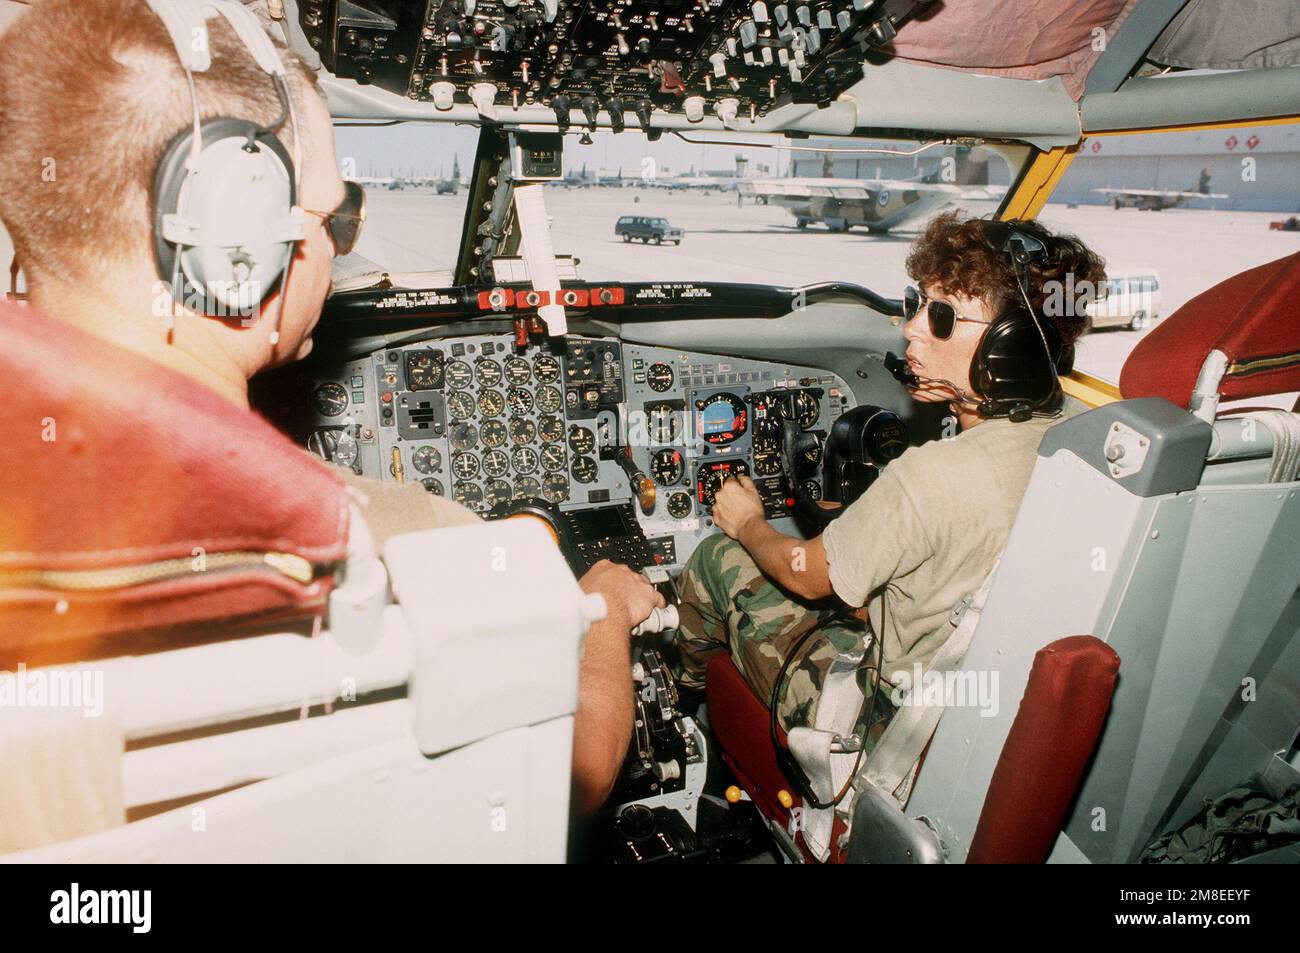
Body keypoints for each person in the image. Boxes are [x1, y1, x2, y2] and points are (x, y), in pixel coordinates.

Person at [0, 0, 658, 816]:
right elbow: (580, 771)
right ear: (232, 242)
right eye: (334, 217)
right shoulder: (379, 542)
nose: (334, 250)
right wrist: (604, 611)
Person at [672, 211, 1106, 743]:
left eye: (942, 316)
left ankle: (686, 704)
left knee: (714, 560)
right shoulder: (1093, 436)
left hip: (894, 724)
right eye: (916, 303)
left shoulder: (933, 474)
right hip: (998, 715)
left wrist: (748, 522)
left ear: (1009, 347)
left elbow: (805, 573)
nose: (910, 329)